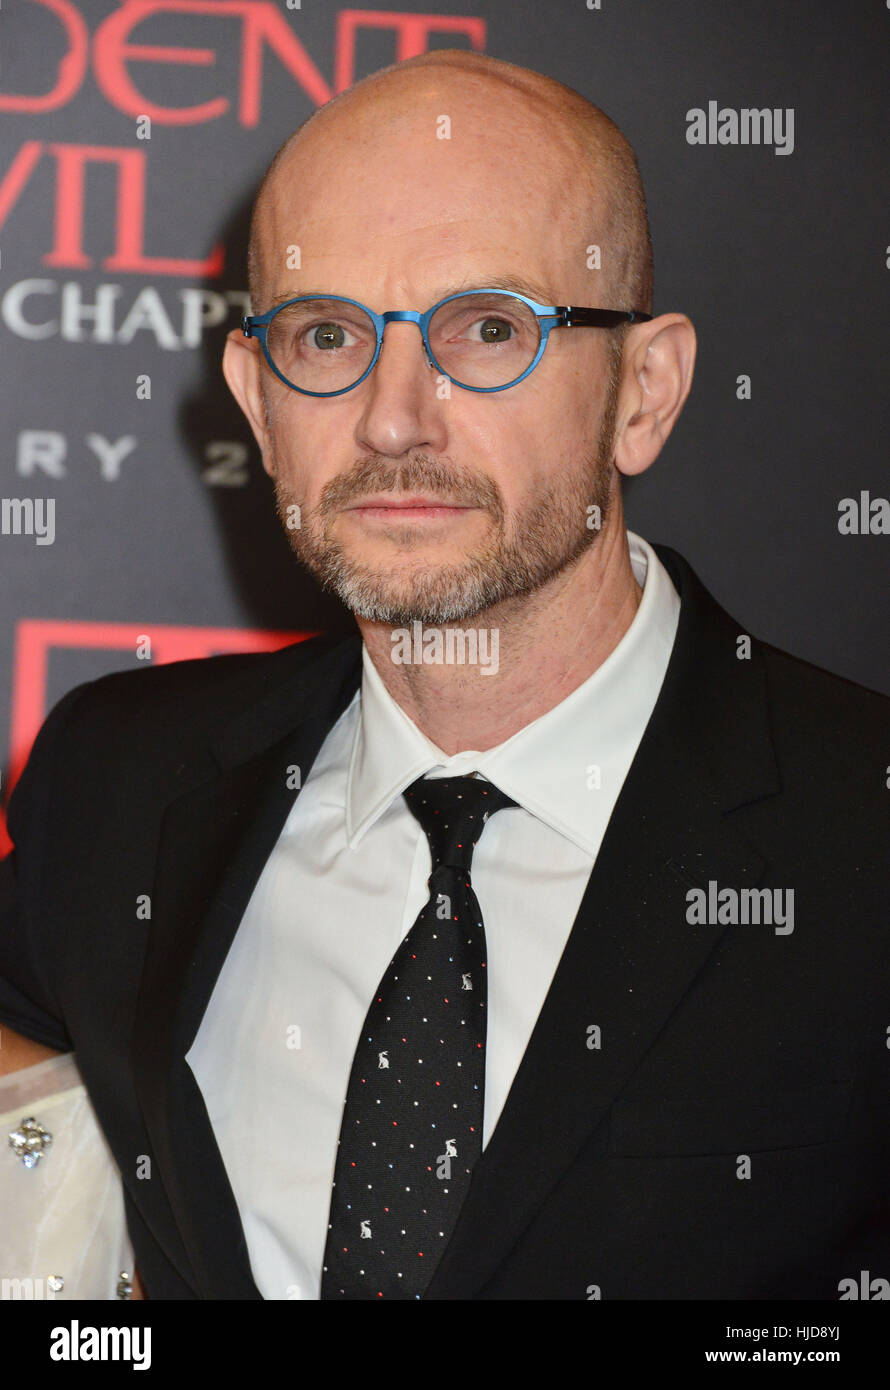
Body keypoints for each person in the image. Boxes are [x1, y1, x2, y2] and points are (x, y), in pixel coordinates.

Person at [0, 48, 887, 1301]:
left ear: (643, 390)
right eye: (325, 333)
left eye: (486, 329)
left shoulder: (861, 836)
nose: (391, 417)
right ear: (257, 405)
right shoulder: (121, 775)